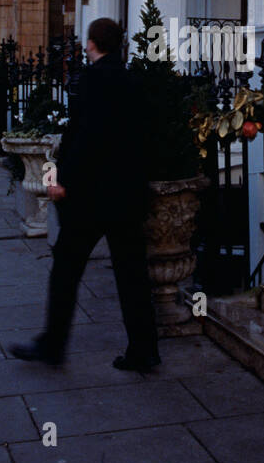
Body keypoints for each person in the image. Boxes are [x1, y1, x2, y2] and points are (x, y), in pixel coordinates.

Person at [10, 18, 160, 372]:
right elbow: (143, 140)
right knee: (132, 275)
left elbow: (83, 139)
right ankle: (144, 350)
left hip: (91, 198)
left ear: (92, 44)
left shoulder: (89, 80)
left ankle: (52, 345)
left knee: (65, 270)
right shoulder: (135, 82)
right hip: (126, 196)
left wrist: (61, 180)